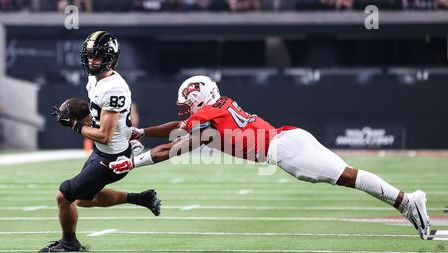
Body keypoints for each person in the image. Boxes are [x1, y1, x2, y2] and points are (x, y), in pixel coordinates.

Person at [109, 75, 431, 240]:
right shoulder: (216, 110)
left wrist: (134, 161)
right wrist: (140, 132)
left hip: (284, 149)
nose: (186, 112)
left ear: (199, 98)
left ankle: (406, 200)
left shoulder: (207, 116)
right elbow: (178, 130)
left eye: (188, 104)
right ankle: (405, 202)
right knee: (347, 174)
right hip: (290, 136)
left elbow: (174, 145)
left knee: (347, 177)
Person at [43, 31, 161, 253]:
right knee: (83, 200)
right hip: (103, 151)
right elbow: (96, 118)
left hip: (113, 157)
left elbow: (105, 134)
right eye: (89, 56)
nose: (91, 61)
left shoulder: (114, 88)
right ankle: (141, 198)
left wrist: (75, 125)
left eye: (96, 56)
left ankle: (69, 243)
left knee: (64, 195)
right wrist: (83, 117)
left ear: (110, 58)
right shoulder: (95, 80)